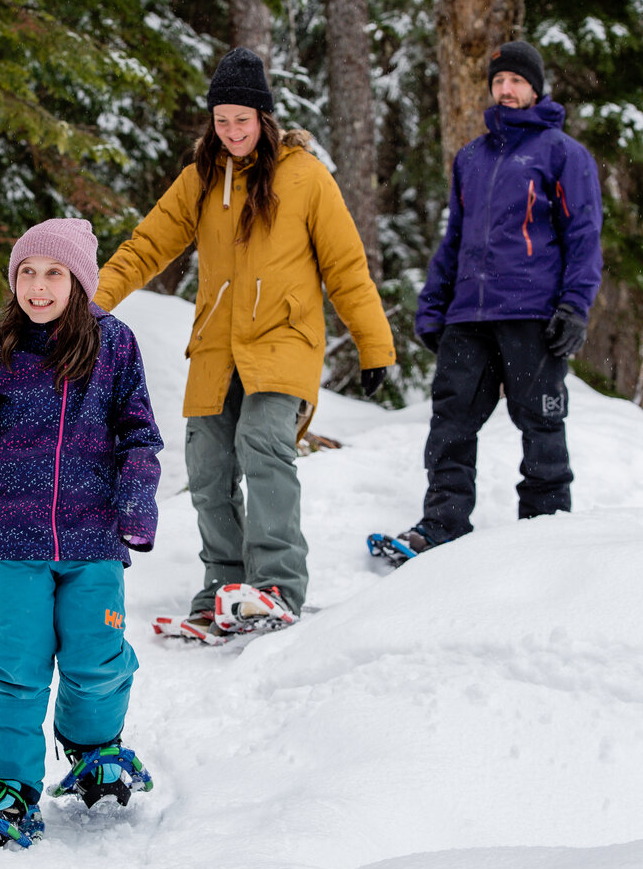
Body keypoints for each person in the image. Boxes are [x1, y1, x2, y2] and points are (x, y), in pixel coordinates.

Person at [94, 46, 395, 641]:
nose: (231, 131)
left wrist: (375, 346)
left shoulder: (304, 177)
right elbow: (146, 246)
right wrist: (91, 303)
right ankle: (224, 585)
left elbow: (346, 267)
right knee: (207, 465)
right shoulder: (200, 180)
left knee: (261, 441)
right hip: (215, 346)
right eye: (221, 120)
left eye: (242, 119)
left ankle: (278, 582)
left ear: (264, 118)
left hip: (284, 338)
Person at [0, 218, 163, 847]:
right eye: (28, 272)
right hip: (12, 547)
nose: (39, 286)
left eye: (55, 273)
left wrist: (135, 505)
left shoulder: (114, 345)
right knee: (15, 668)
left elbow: (140, 437)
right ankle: (3, 786)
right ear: (14, 280)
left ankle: (96, 749)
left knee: (95, 661)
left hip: (93, 541)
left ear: (79, 282)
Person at [385, 39, 602, 560]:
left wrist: (575, 305)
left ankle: (546, 528)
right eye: (499, 81)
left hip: (532, 312)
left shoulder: (562, 153)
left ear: (535, 89)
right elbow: (455, 239)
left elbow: (584, 235)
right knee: (450, 424)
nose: (506, 90)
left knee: (541, 421)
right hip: (469, 315)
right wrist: (435, 307)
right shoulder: (472, 158)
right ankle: (442, 525)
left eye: (516, 81)